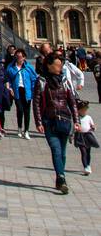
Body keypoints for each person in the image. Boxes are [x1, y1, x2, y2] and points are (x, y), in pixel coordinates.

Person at [33, 54, 80, 195]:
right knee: (56, 150)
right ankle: (61, 177)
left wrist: (76, 120)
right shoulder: (41, 81)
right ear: (49, 65)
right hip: (49, 121)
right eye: (57, 65)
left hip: (65, 120)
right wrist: (39, 122)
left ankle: (60, 177)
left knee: (63, 153)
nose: (60, 68)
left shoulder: (64, 81)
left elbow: (72, 102)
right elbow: (36, 103)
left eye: (61, 65)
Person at [5, 48, 37, 139]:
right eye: (17, 56)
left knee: (27, 111)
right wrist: (10, 88)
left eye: (20, 56)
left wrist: (33, 91)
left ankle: (26, 131)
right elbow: (8, 78)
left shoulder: (29, 67)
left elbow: (34, 79)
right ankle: (19, 128)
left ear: (24, 57)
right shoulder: (11, 67)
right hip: (17, 91)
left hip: (27, 91)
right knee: (19, 109)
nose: (19, 58)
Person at [75, 100, 97, 176]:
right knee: (83, 152)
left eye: (85, 110)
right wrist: (71, 135)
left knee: (88, 152)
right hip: (80, 136)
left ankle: (88, 165)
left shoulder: (88, 117)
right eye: (82, 110)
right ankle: (85, 167)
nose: (84, 112)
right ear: (78, 110)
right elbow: (73, 127)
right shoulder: (76, 118)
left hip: (88, 136)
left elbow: (92, 125)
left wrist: (93, 127)